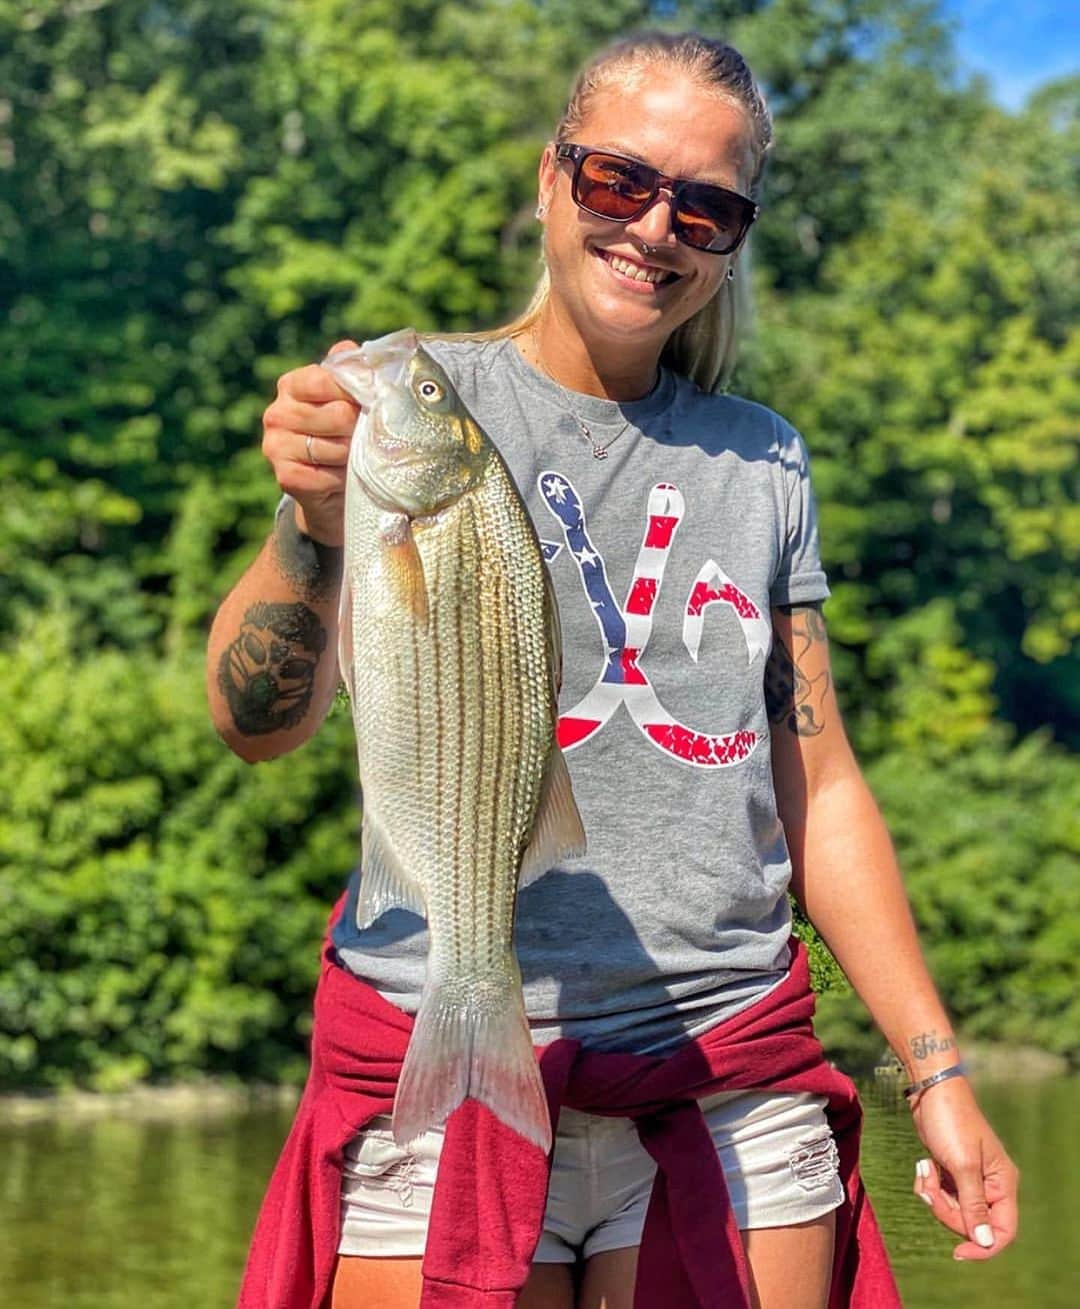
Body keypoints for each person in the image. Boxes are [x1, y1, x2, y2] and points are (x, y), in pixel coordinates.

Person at [207, 30, 1019, 1309]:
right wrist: (307, 525)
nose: (657, 226)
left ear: (735, 235)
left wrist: (938, 1068)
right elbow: (256, 724)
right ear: (550, 179)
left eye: (707, 204)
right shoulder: (429, 402)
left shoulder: (766, 461)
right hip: (439, 1047)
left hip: (725, 1076)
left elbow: (823, 783)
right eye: (616, 181)